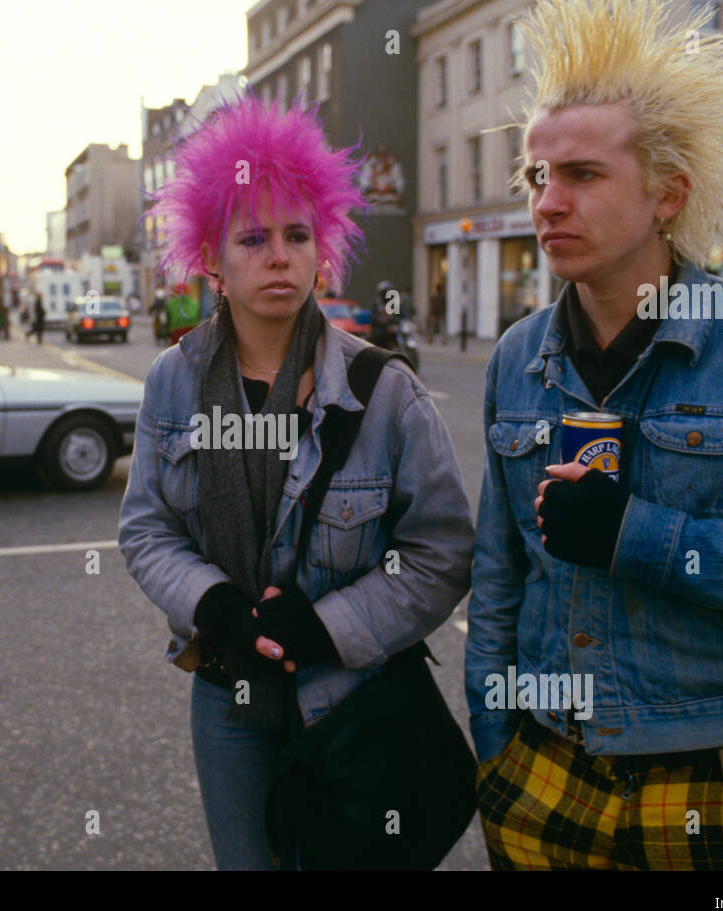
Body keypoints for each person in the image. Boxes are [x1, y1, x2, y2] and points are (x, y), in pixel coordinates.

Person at [464, 0, 723, 871]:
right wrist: (494, 735)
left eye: (580, 173)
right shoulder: (518, 354)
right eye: (536, 177)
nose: (548, 203)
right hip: (541, 768)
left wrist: (642, 537)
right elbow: (498, 565)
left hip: (712, 781)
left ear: (669, 192)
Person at [118, 95, 474, 870]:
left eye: (296, 234)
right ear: (211, 255)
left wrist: (327, 625)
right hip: (227, 693)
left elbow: (441, 552)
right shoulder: (172, 384)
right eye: (251, 237)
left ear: (323, 247)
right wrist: (213, 603)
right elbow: (145, 528)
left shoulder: (386, 391)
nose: (278, 254)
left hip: (352, 693)